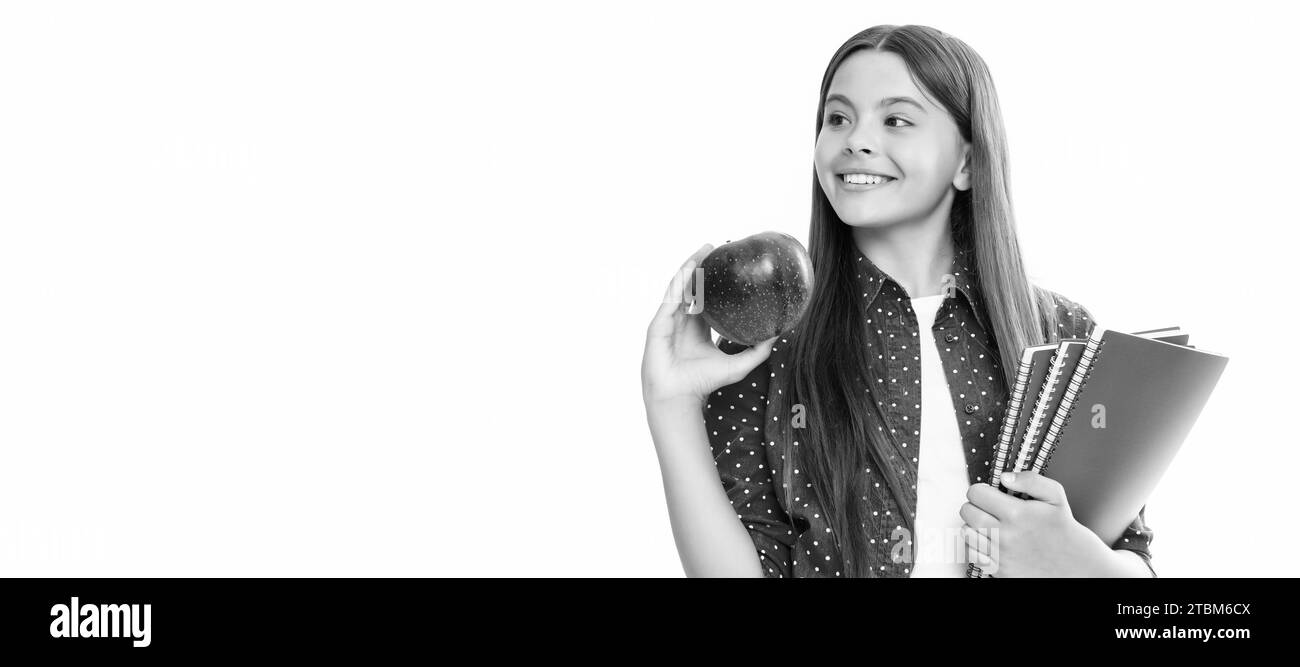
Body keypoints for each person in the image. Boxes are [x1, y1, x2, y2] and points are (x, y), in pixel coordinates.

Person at [640, 24, 1156, 578]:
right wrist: (670, 404)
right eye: (838, 118)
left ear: (967, 162)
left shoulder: (1062, 331)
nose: (855, 140)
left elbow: (1133, 562)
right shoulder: (766, 348)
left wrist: (1080, 565)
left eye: (896, 120)